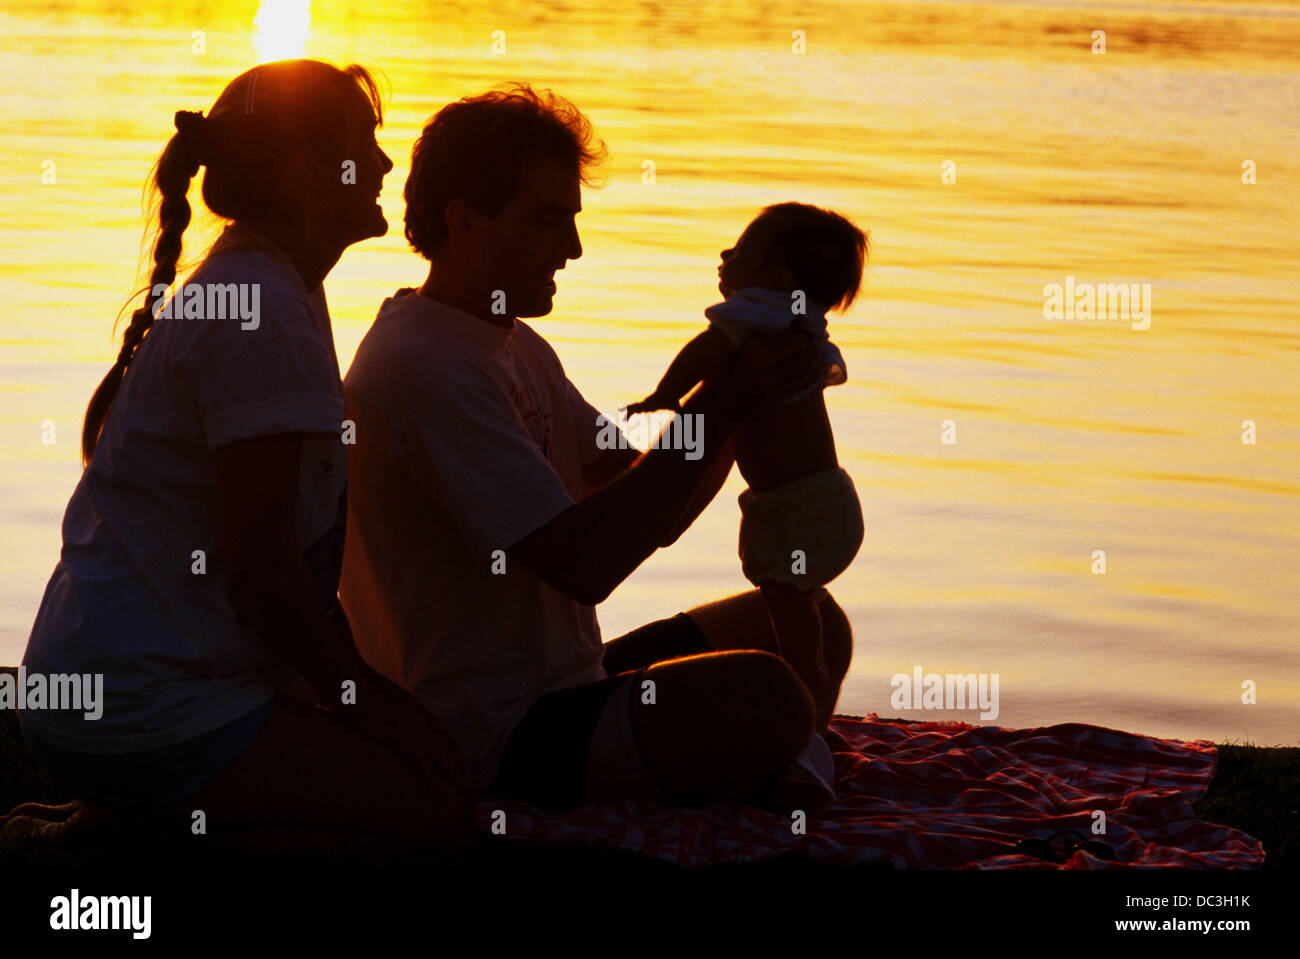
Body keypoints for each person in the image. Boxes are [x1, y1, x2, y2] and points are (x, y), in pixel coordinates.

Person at [341, 83, 855, 814]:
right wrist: (723, 398)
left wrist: (756, 401)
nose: (574, 249)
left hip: (568, 684)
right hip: (492, 734)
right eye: (550, 221)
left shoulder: (512, 342)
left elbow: (639, 493)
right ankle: (768, 767)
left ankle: (775, 766)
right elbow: (587, 563)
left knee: (813, 622)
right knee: (766, 694)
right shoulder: (422, 364)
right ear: (466, 222)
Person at [7, 59, 469, 856]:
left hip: (128, 687)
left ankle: (108, 826)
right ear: (306, 171)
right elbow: (265, 574)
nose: (388, 165)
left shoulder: (274, 284)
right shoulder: (260, 311)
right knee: (430, 809)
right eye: (367, 145)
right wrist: (370, 702)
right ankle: (93, 851)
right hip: (144, 708)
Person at [626, 203, 867, 766]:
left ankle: (801, 734)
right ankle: (807, 726)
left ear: (779, 282)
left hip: (793, 509)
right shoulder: (800, 326)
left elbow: (704, 351)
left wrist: (667, 396)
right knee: (802, 614)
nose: (725, 255)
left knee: (793, 626)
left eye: (739, 250)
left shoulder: (756, 317)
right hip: (827, 499)